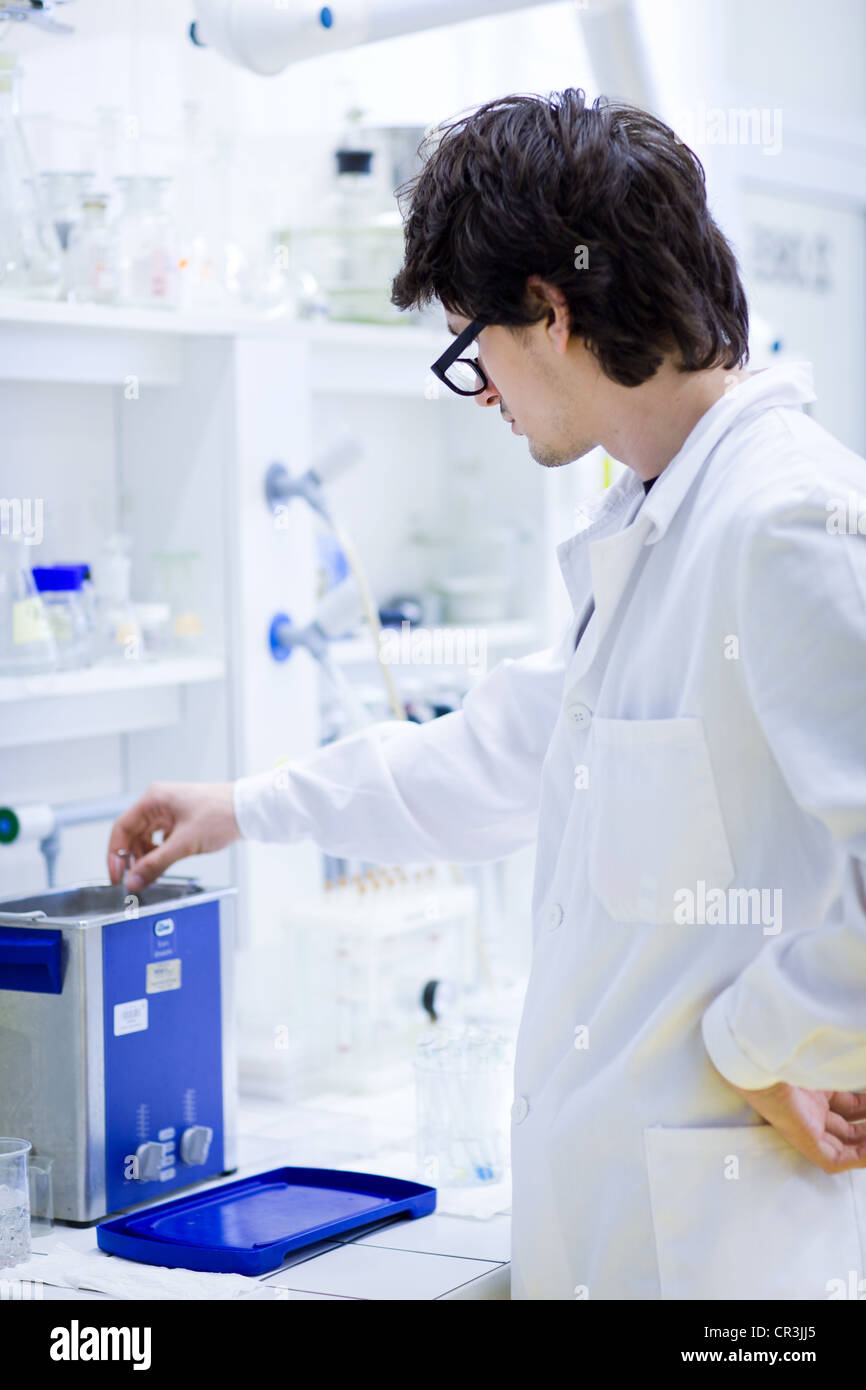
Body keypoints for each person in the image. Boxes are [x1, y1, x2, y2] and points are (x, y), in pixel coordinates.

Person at [108, 90, 866, 1300]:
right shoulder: (653, 520)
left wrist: (759, 1039)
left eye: (471, 351)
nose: (483, 396)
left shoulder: (783, 521)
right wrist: (243, 804)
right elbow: (499, 755)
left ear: (547, 311)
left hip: (726, 1266)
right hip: (620, 1242)